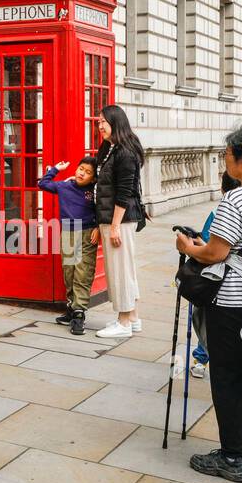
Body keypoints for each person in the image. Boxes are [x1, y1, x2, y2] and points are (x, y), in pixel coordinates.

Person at [176, 125, 242, 483]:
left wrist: (187, 248)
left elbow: (215, 253)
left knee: (227, 378)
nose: (225, 160)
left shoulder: (235, 200)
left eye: (228, 154)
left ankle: (232, 457)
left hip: (232, 301)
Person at [93, 104, 145, 339]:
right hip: (111, 218)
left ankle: (123, 322)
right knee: (125, 269)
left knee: (120, 271)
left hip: (120, 220)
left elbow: (124, 192)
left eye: (103, 121)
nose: (99, 125)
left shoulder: (125, 152)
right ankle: (132, 317)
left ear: (116, 122)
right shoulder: (110, 148)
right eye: (98, 121)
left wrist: (114, 226)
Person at [189, 171, 242, 378]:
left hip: (216, 278)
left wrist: (189, 248)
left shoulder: (219, 212)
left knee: (207, 319)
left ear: (222, 189)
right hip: (240, 281)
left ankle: (201, 359)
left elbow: (207, 245)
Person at [39, 156, 98, 335]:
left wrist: (98, 226)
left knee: (83, 271)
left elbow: (103, 207)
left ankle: (79, 313)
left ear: (93, 178)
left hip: (87, 233)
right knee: (69, 270)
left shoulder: (94, 190)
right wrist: (56, 169)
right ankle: (72, 308)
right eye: (81, 169)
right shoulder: (64, 186)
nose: (82, 173)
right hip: (68, 232)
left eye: (88, 172)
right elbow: (43, 183)